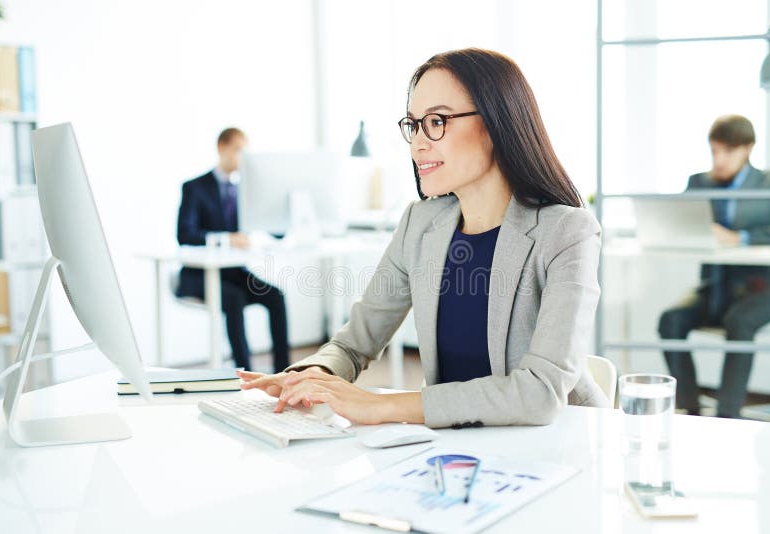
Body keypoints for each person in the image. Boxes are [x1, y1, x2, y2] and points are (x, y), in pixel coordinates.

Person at [237, 48, 608, 428]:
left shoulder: (566, 232)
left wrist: (382, 406)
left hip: (566, 444)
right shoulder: (420, 223)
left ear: (498, 124)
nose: (417, 144)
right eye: (414, 125)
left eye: (437, 121)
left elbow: (539, 393)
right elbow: (354, 343)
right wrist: (313, 375)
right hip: (459, 450)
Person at [658, 115, 770, 418]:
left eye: (727, 152)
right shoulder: (699, 183)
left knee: (739, 321)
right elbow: (677, 223)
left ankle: (727, 415)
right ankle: (691, 409)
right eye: (714, 151)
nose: (718, 160)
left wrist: (737, 238)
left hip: (768, 289)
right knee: (670, 321)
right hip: (717, 288)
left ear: (747, 148)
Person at [176, 127, 290, 372]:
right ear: (221, 148)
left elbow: (273, 229)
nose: (243, 158)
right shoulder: (194, 188)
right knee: (234, 299)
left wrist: (282, 204)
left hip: (233, 272)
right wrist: (227, 239)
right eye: (238, 150)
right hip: (198, 275)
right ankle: (245, 373)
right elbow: (184, 234)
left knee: (275, 296)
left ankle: (284, 371)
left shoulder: (244, 191)